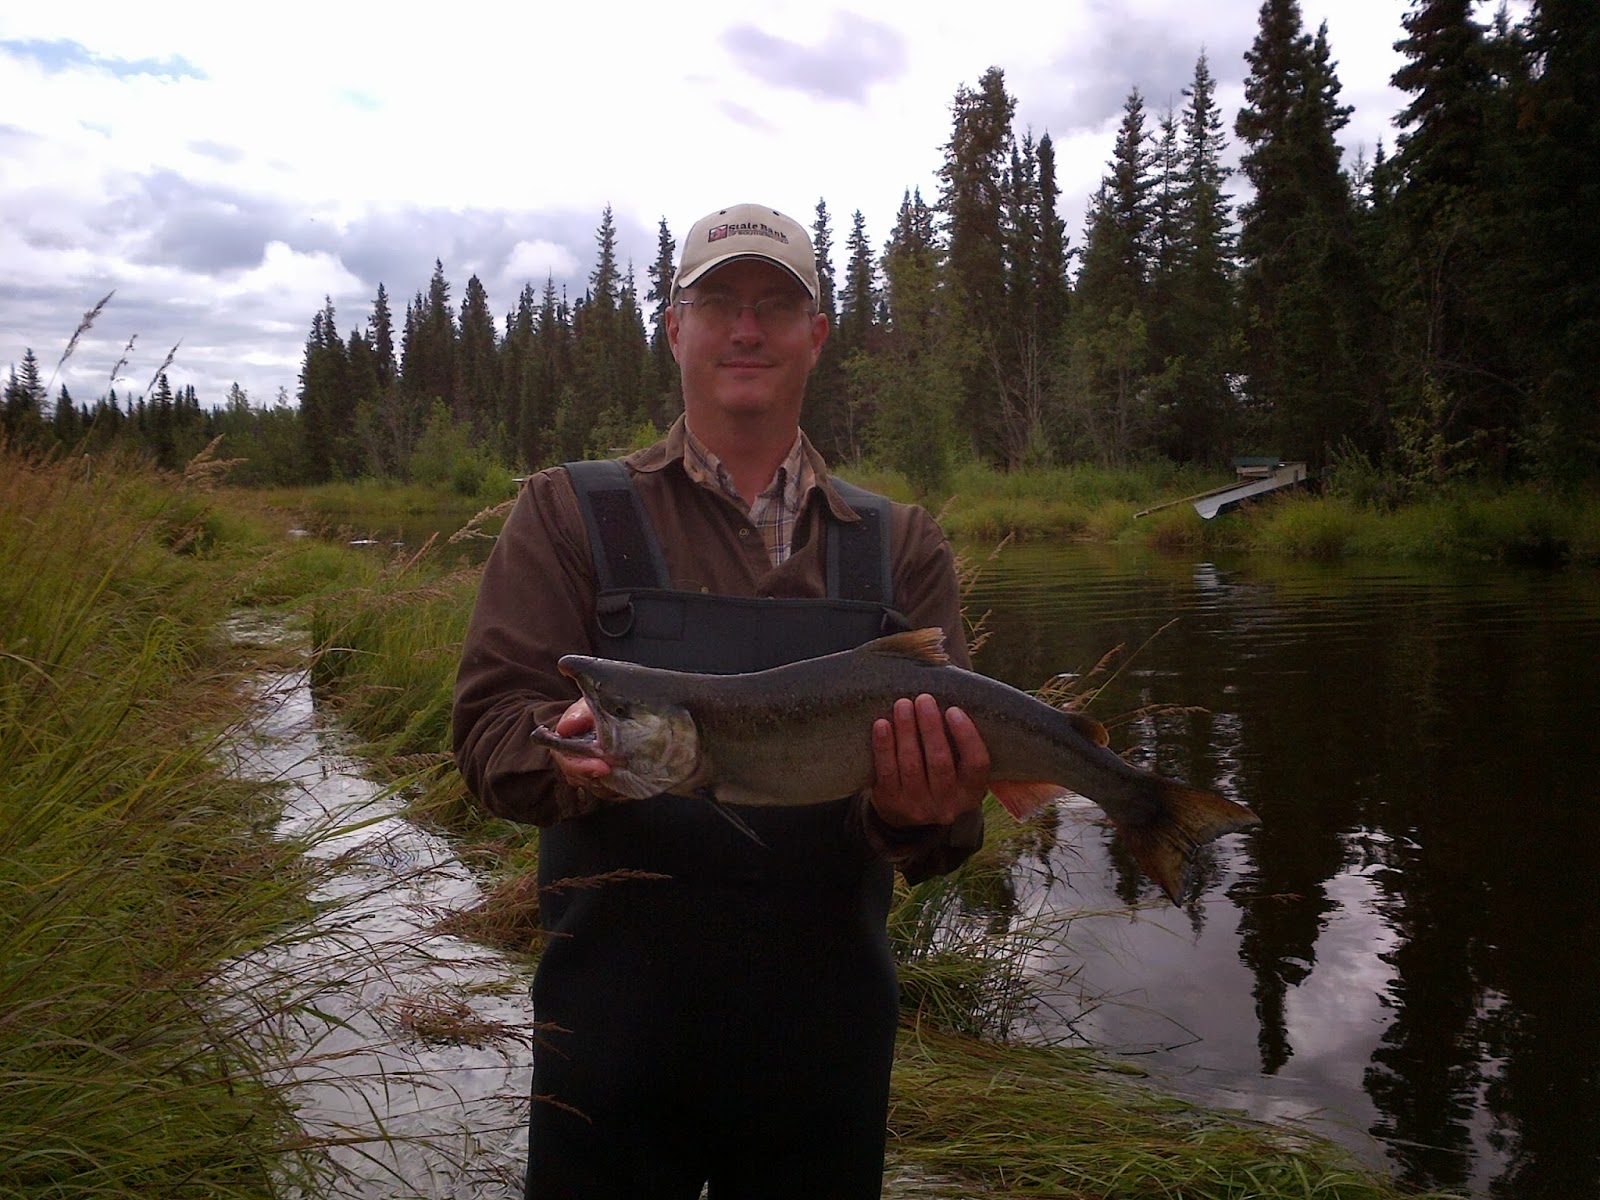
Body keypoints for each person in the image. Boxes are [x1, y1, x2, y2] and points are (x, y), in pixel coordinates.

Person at [452, 202, 992, 1199]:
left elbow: (950, 839)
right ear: (674, 325)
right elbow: (488, 740)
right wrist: (579, 767)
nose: (747, 329)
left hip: (824, 1053)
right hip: (606, 1048)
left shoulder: (899, 545)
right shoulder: (567, 513)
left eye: (776, 306)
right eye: (720, 303)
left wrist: (924, 815)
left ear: (815, 334)